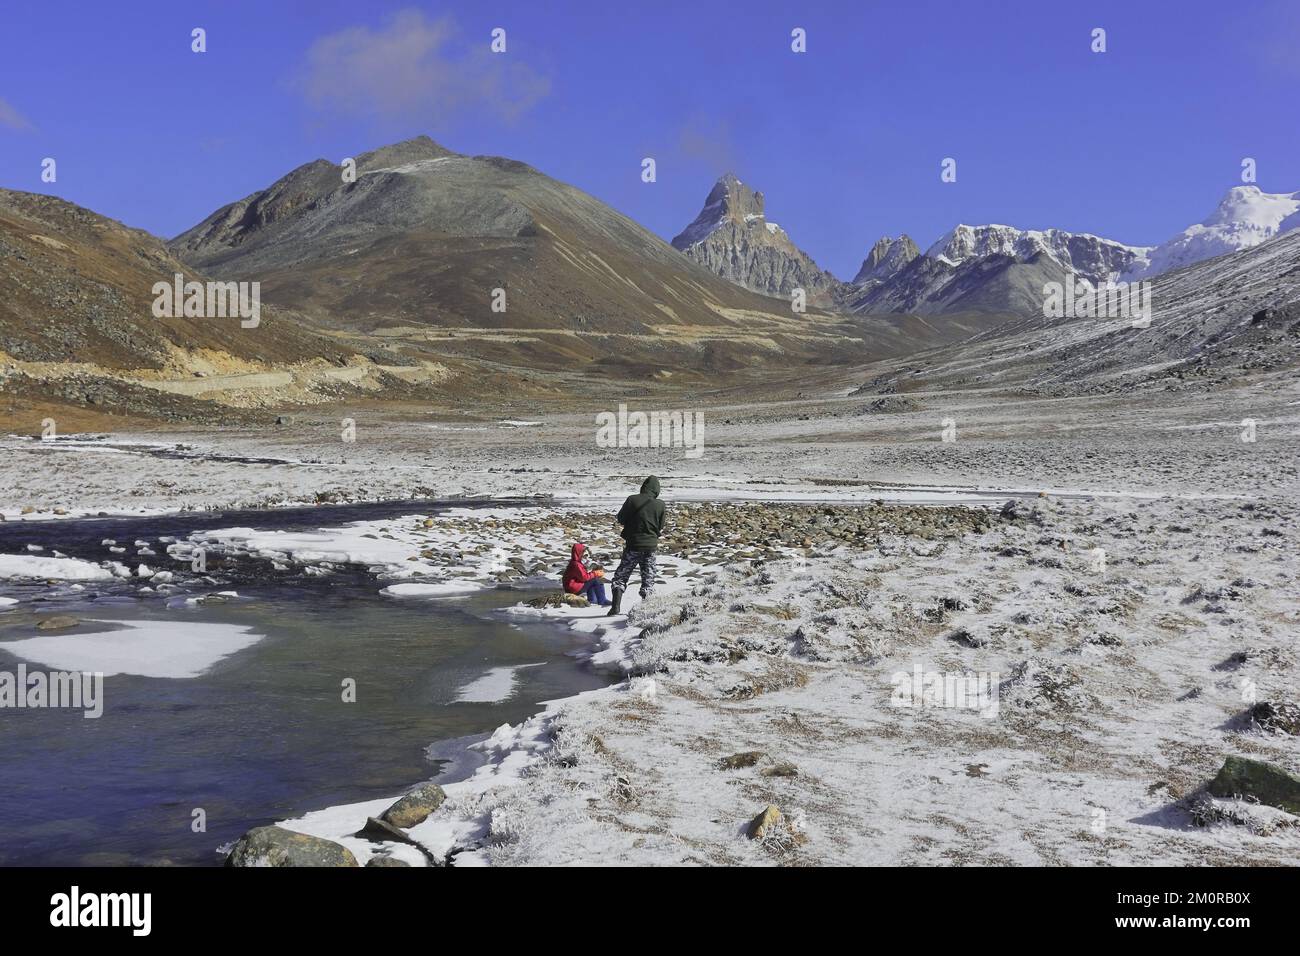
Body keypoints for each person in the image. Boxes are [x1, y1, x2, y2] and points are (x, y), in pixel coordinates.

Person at [607, 476, 666, 616]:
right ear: (657, 490)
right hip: (651, 546)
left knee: (621, 576)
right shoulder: (660, 504)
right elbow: (661, 525)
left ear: (643, 487)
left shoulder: (632, 499)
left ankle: (615, 607)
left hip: (633, 545)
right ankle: (646, 610)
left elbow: (621, 518)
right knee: (648, 578)